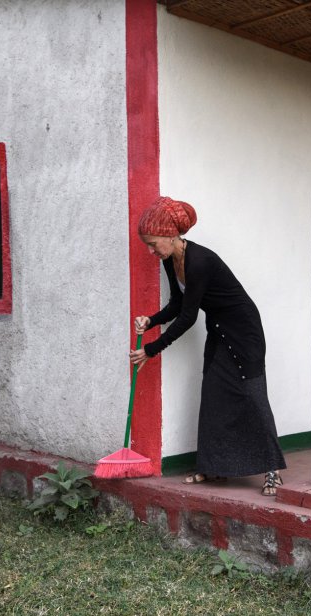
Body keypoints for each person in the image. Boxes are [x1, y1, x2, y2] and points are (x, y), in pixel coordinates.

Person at [129, 196, 286, 496]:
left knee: (253, 395)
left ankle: (272, 471)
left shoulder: (199, 261)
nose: (150, 251)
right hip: (219, 328)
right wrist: (151, 321)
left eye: (153, 243)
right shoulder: (170, 259)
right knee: (214, 394)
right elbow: (178, 304)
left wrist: (152, 350)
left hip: (243, 331)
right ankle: (215, 467)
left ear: (171, 236)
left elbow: (188, 317)